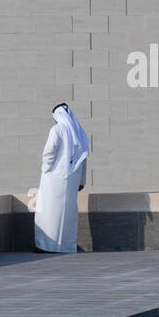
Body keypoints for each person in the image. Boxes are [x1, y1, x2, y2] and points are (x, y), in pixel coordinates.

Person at [32, 102, 89, 254]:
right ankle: (65, 246)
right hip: (72, 180)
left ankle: (46, 245)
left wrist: (46, 170)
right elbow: (84, 159)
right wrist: (82, 180)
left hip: (54, 178)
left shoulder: (57, 129)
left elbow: (49, 152)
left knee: (49, 212)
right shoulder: (79, 133)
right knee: (67, 213)